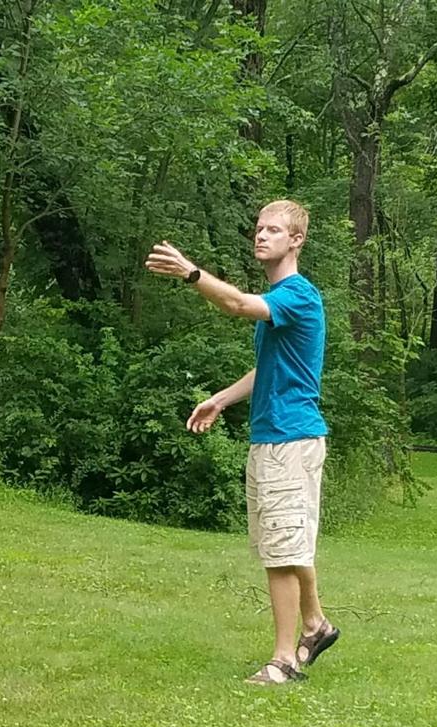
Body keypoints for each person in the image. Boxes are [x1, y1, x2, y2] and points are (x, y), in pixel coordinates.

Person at [144, 199, 339, 685]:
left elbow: (236, 305)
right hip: (273, 436)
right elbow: (268, 368)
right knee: (285, 539)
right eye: (259, 228)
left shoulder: (298, 295)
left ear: (296, 240)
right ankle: (315, 625)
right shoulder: (279, 302)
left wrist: (192, 273)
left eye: (273, 230)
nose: (261, 235)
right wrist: (221, 399)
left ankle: (284, 661)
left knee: (281, 550)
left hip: (290, 438)